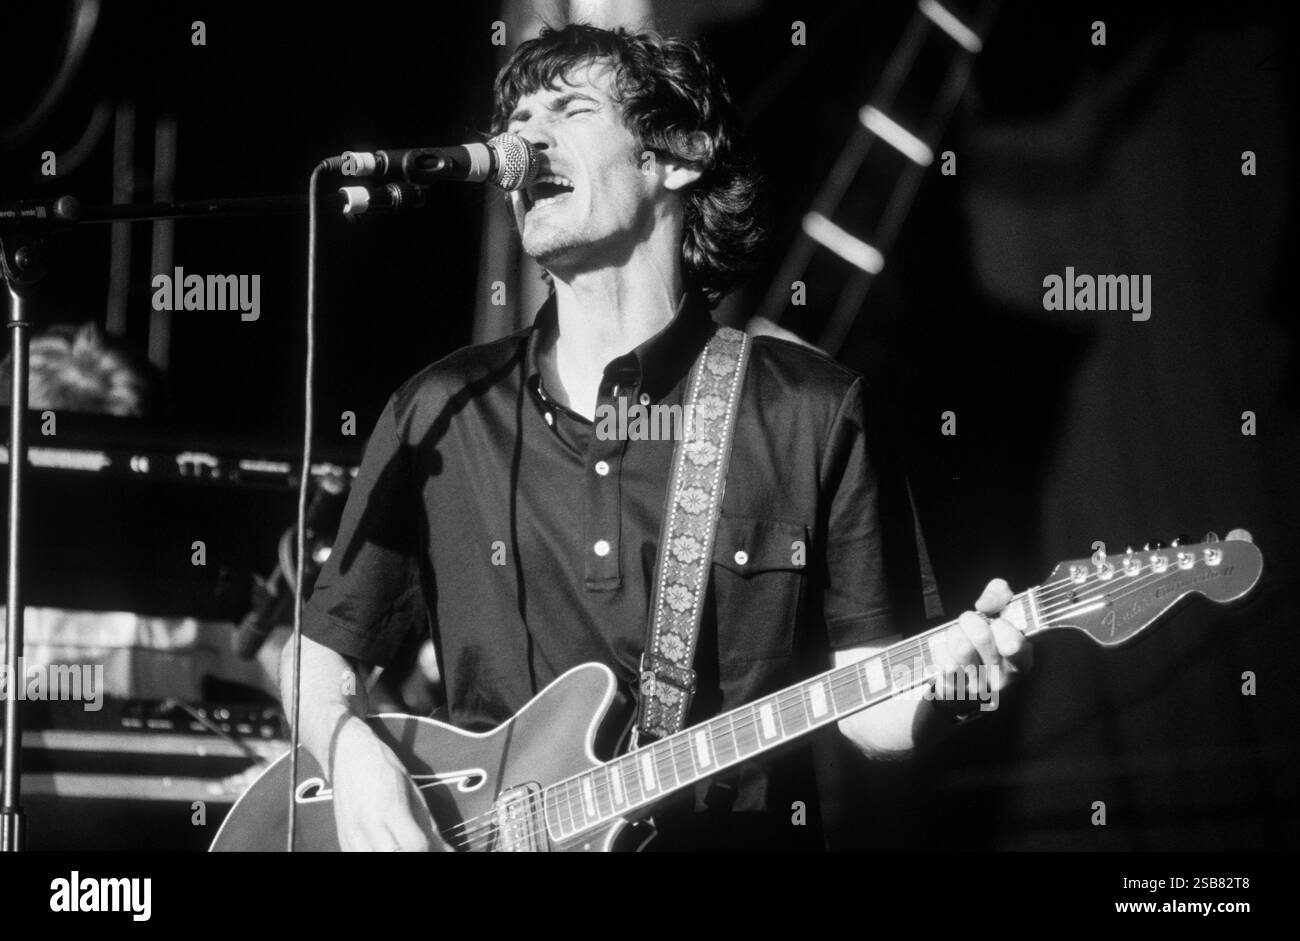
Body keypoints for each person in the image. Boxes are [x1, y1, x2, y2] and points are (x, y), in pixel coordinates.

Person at [288, 23, 1032, 851]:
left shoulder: (810, 412)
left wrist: (947, 685)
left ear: (675, 156)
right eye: (516, 117)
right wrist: (351, 753)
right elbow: (318, 657)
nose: (521, 140)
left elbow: (869, 699)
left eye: (568, 110)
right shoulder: (442, 409)